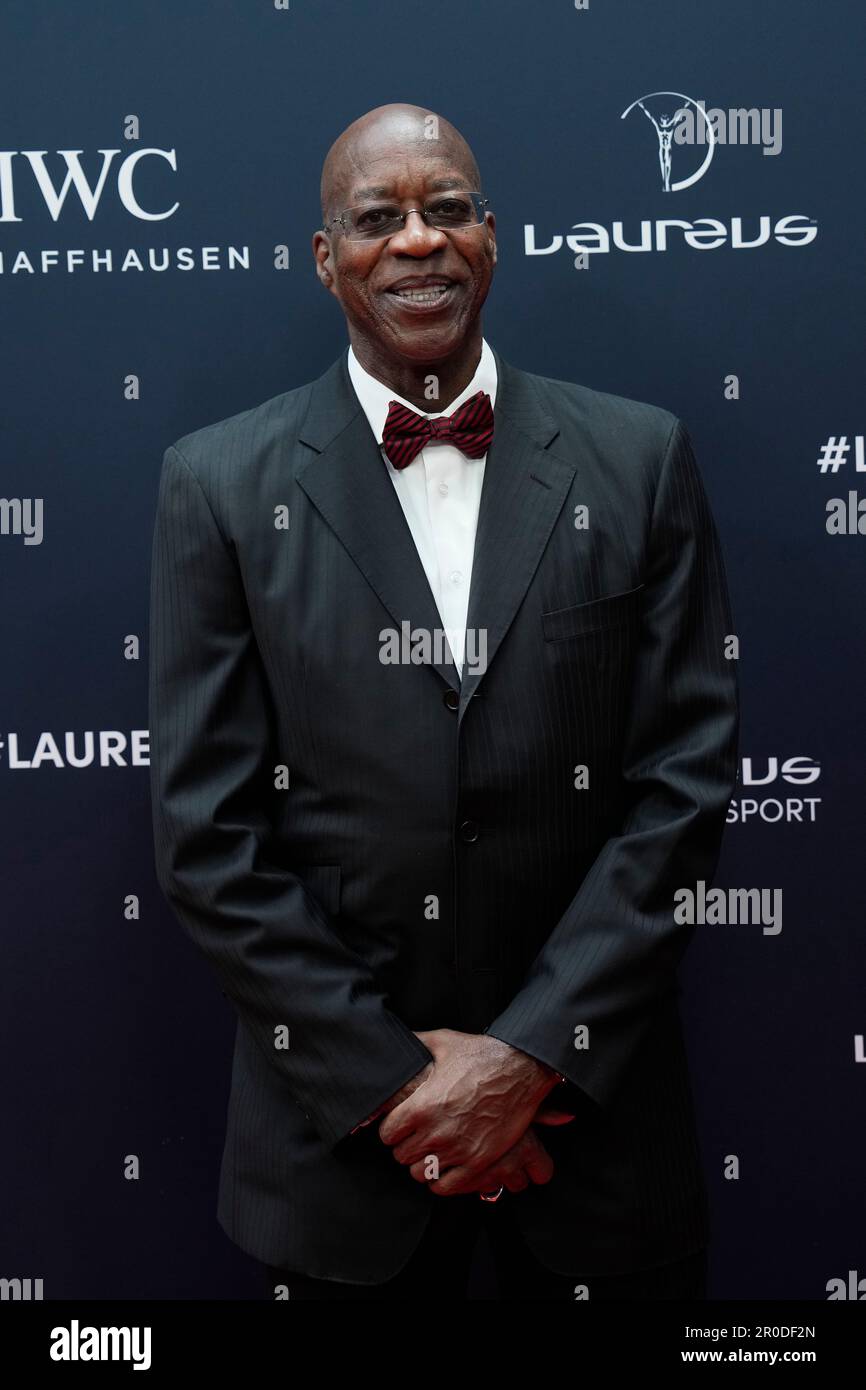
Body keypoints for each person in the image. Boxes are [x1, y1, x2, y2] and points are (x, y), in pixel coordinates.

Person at [148, 102, 739, 1300]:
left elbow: (682, 785)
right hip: (336, 1165)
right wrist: (397, 1087)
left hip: (593, 1146)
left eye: (446, 209)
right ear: (327, 259)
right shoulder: (215, 484)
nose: (416, 241)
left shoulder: (638, 458)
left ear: (491, 236)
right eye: (377, 218)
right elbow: (208, 837)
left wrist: (526, 1061)